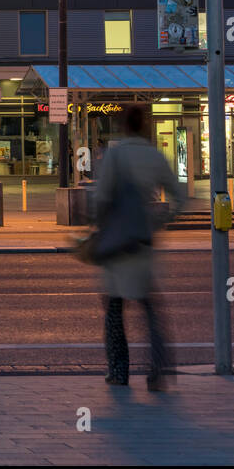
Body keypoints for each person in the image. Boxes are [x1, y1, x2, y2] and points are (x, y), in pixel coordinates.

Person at [91, 104, 182, 391]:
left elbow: (101, 200)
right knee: (150, 309)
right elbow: (182, 197)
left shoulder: (115, 155)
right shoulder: (154, 155)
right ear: (145, 125)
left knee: (115, 309)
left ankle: (119, 371)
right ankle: (158, 369)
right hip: (142, 242)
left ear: (123, 126)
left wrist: (99, 228)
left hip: (117, 245)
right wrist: (159, 221)